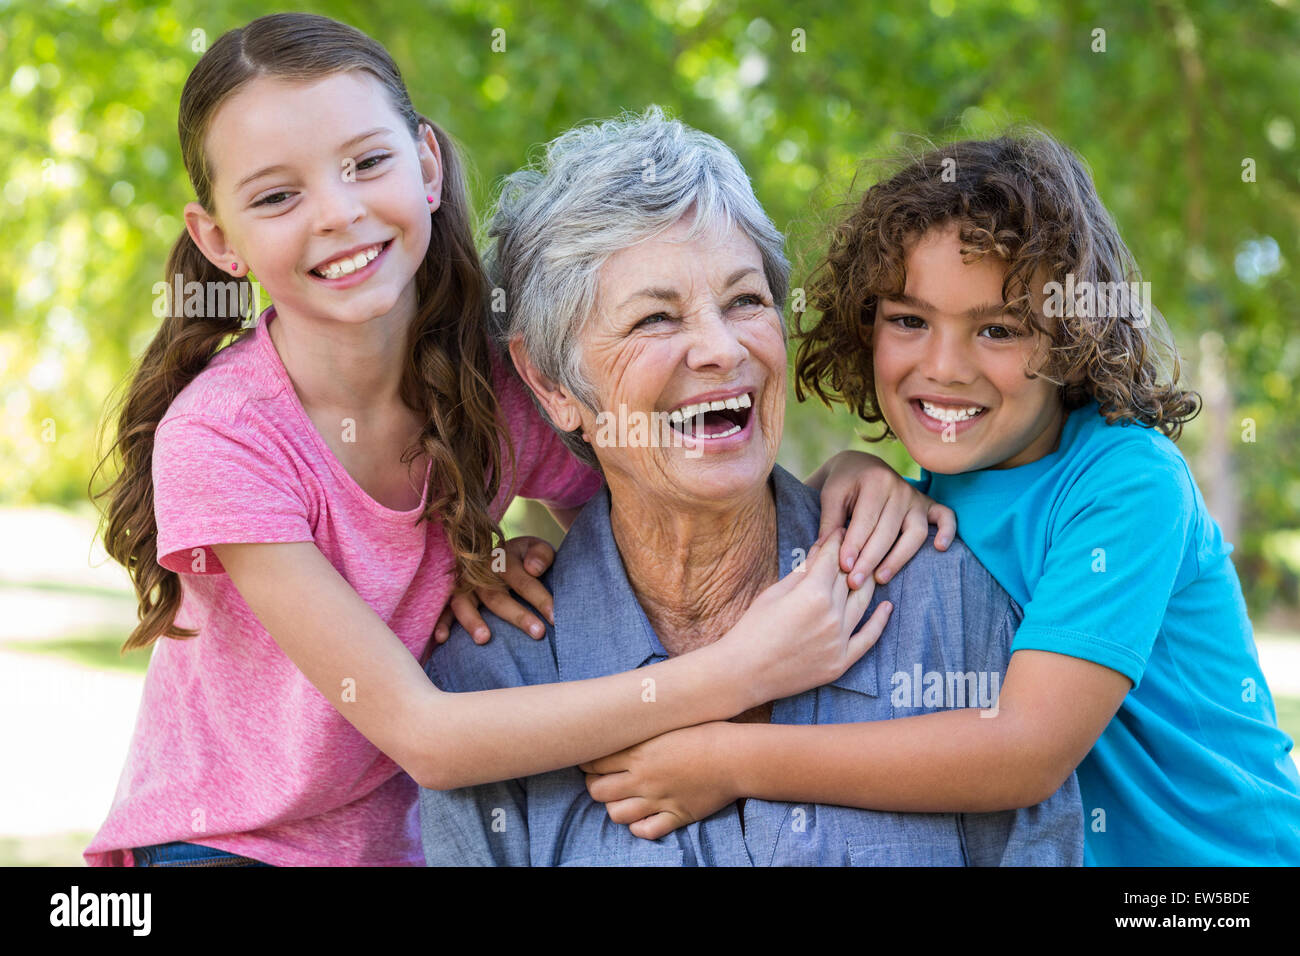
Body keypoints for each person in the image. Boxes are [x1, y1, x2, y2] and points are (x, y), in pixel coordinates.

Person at [84, 15, 934, 867]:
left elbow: (666, 492)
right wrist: (741, 672)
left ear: (424, 165)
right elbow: (430, 737)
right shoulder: (226, 437)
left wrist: (842, 474)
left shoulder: (497, 389)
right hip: (229, 844)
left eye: (366, 164)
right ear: (219, 239)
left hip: (411, 840)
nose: (338, 213)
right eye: (277, 195)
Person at [583, 131, 1300, 866]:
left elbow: (1024, 751)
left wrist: (729, 762)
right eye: (909, 321)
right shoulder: (939, 485)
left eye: (998, 329)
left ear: (1073, 338)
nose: (945, 366)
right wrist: (851, 471)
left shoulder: (1127, 481)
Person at [419, 109, 1083, 866]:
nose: (721, 348)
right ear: (549, 380)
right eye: (656, 317)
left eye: (745, 301)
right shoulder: (491, 682)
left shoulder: (949, 599)